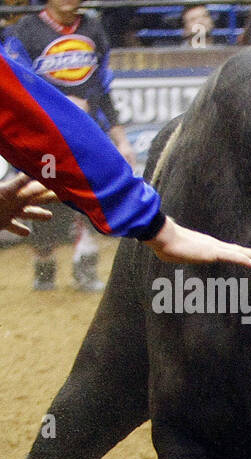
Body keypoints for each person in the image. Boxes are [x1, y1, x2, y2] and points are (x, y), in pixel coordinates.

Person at [0, 41, 251, 267]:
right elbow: (30, 117)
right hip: (67, 144)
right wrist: (152, 227)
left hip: (71, 141)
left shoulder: (93, 31)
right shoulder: (29, 32)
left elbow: (96, 95)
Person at [5, 0, 137, 290]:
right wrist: (60, 105)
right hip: (42, 135)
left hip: (87, 133)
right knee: (41, 196)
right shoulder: (25, 31)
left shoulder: (93, 29)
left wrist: (122, 140)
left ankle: (86, 264)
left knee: (92, 196)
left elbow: (102, 88)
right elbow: (16, 85)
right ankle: (44, 263)